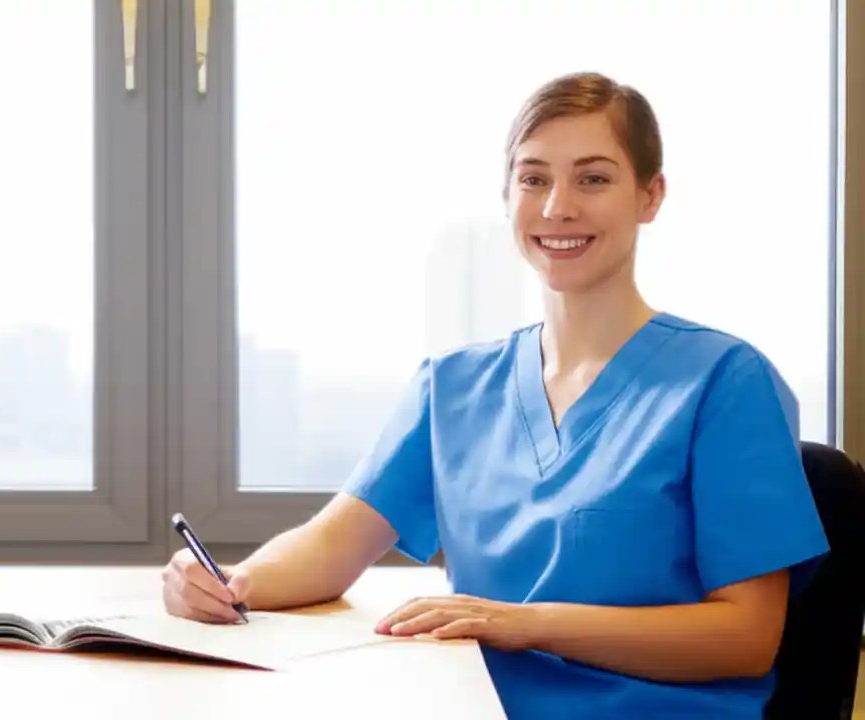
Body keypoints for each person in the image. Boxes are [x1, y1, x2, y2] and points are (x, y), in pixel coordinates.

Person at [160, 71, 829, 718]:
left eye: (593, 179)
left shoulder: (723, 382)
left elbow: (746, 638)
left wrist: (527, 624)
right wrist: (228, 583)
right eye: (533, 178)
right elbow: (328, 548)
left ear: (650, 197)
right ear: (507, 196)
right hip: (467, 704)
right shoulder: (452, 386)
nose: (557, 206)